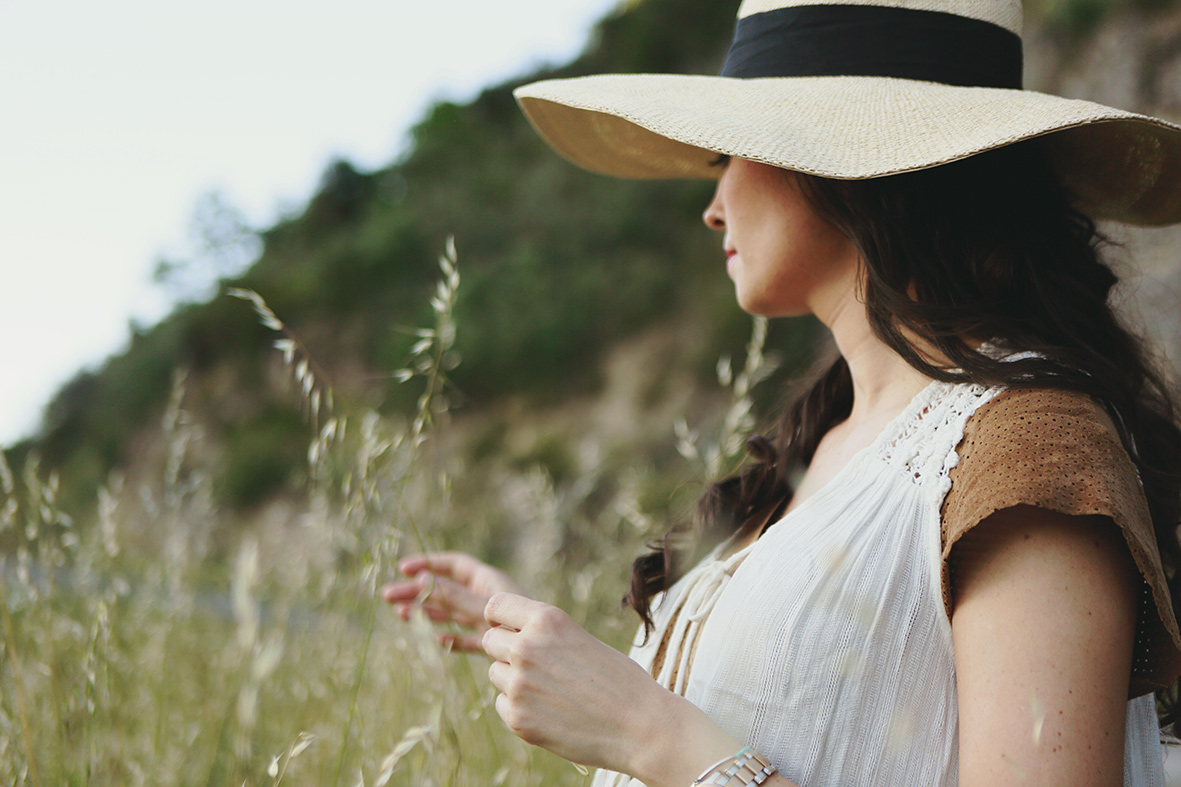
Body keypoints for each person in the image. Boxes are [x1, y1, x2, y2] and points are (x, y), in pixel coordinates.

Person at [382, 0, 1181, 784]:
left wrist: (645, 731)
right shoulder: (835, 432)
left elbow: (692, 748)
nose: (711, 204)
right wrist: (534, 638)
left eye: (724, 155)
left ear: (838, 161)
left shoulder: (1029, 444)